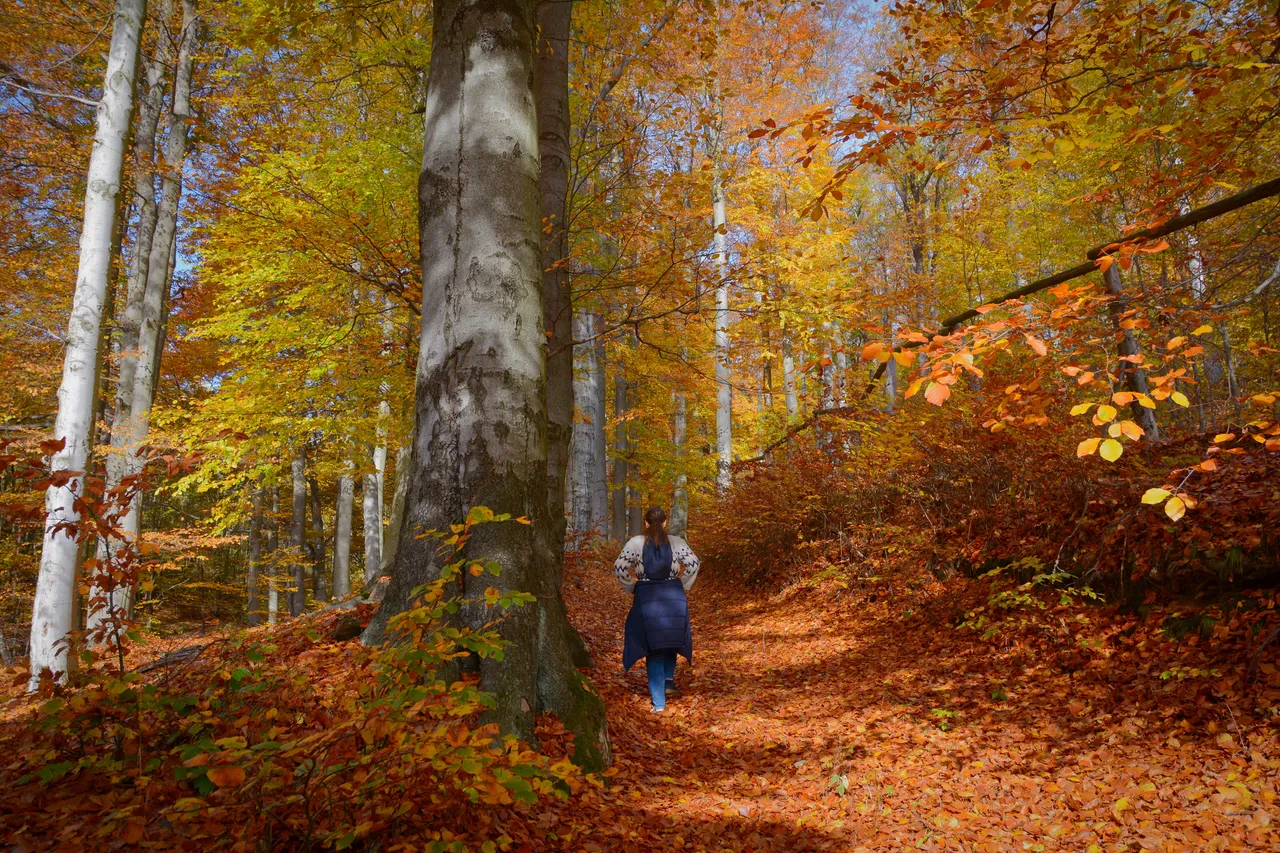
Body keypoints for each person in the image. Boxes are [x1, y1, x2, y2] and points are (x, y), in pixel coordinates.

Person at [613, 507, 701, 712]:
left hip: (647, 595)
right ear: (665, 521)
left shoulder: (635, 543)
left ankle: (660, 703)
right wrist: (683, 584)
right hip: (674, 594)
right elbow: (694, 564)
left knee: (653, 646)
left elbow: (619, 567)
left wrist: (631, 587)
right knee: (670, 639)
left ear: (645, 523)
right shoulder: (677, 542)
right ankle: (668, 680)